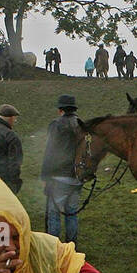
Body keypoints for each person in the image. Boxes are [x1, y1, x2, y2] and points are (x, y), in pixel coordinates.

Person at [41, 94, 87, 242]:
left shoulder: (56, 124)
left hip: (58, 176)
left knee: (54, 213)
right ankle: (71, 246)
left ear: (60, 110)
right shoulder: (80, 124)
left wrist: (44, 176)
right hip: (77, 176)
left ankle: (54, 247)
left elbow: (50, 151)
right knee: (72, 213)